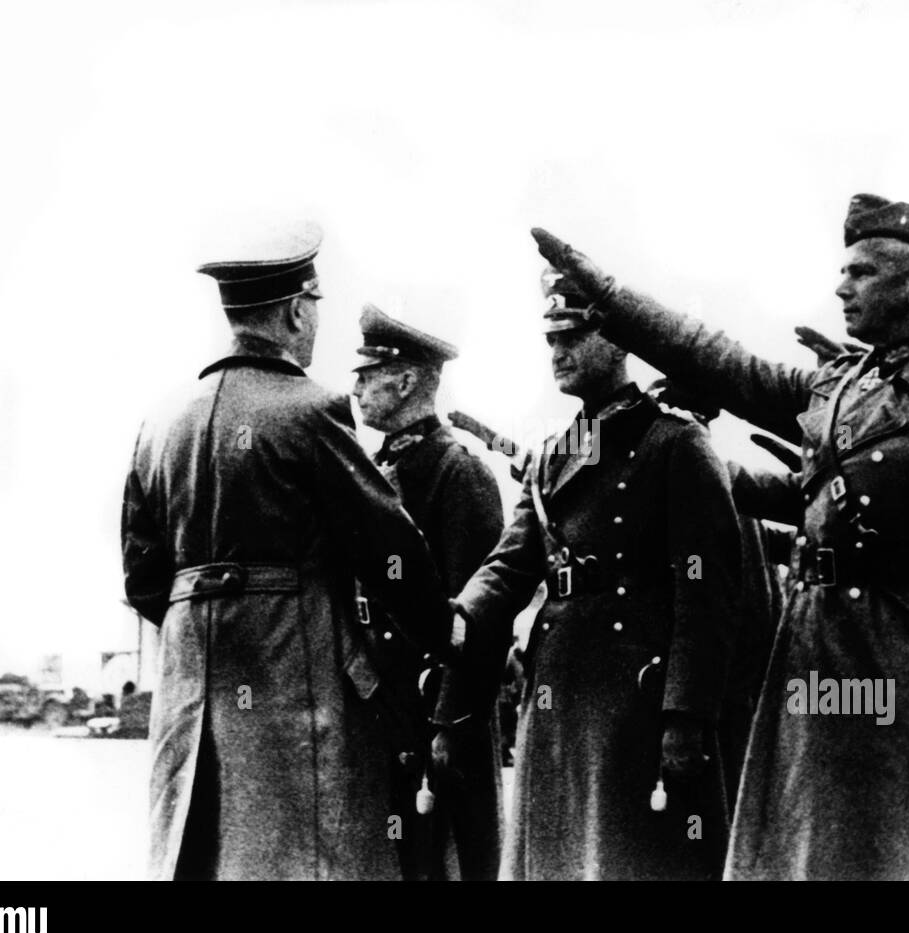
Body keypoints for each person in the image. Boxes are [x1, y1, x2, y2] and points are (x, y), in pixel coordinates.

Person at [531, 193, 909, 879]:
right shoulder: (838, 387)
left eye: (862, 272)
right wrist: (611, 298)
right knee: (811, 851)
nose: (842, 286)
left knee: (905, 853)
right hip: (815, 656)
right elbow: (714, 357)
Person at [121, 222, 451, 880]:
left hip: (188, 695)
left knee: (204, 856)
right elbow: (392, 551)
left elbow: (143, 580)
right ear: (298, 312)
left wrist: (209, 622)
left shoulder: (160, 422)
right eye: (315, 311)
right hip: (294, 691)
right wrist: (440, 637)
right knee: (309, 858)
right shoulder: (310, 411)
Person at [449, 270, 742, 880]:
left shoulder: (674, 443)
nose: (559, 353)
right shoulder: (557, 454)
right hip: (559, 687)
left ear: (617, 340)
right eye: (551, 340)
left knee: (627, 857)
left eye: (574, 337)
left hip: (634, 698)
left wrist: (686, 714)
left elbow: (706, 590)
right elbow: (512, 560)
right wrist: (461, 613)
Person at [351, 304, 507, 881]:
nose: (358, 388)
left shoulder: (459, 472)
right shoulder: (369, 471)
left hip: (437, 710)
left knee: (452, 859)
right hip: (381, 704)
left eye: (368, 375)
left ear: (407, 379)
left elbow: (481, 616)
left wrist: (451, 722)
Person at [646, 378, 785, 817]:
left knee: (699, 822)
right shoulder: (733, 485)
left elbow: (713, 600)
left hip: (709, 693)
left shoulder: (700, 484)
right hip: (741, 691)